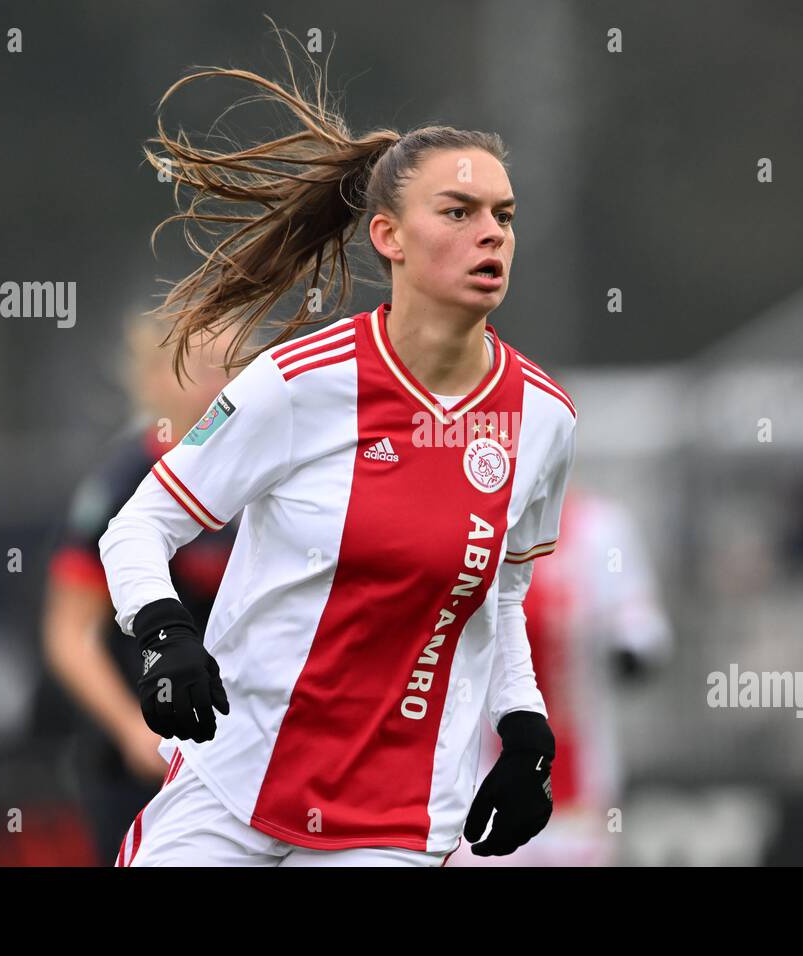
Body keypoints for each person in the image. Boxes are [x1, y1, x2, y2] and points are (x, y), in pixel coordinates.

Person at [98, 51, 577, 867]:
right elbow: (139, 526)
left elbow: (499, 595)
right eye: (458, 211)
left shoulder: (542, 420)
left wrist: (525, 732)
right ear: (387, 235)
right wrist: (164, 634)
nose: (491, 232)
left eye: (503, 213)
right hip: (234, 777)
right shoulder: (297, 383)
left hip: (395, 817)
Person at [42, 309, 239, 864]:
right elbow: (69, 636)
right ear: (156, 381)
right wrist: (133, 730)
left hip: (245, 758)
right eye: (202, 367)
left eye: (234, 365)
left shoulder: (263, 478)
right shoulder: (121, 485)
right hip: (143, 762)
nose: (222, 384)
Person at [448, 487, 673, 866]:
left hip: (579, 781)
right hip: (479, 777)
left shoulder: (599, 527)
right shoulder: (472, 525)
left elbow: (641, 625)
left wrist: (628, 651)